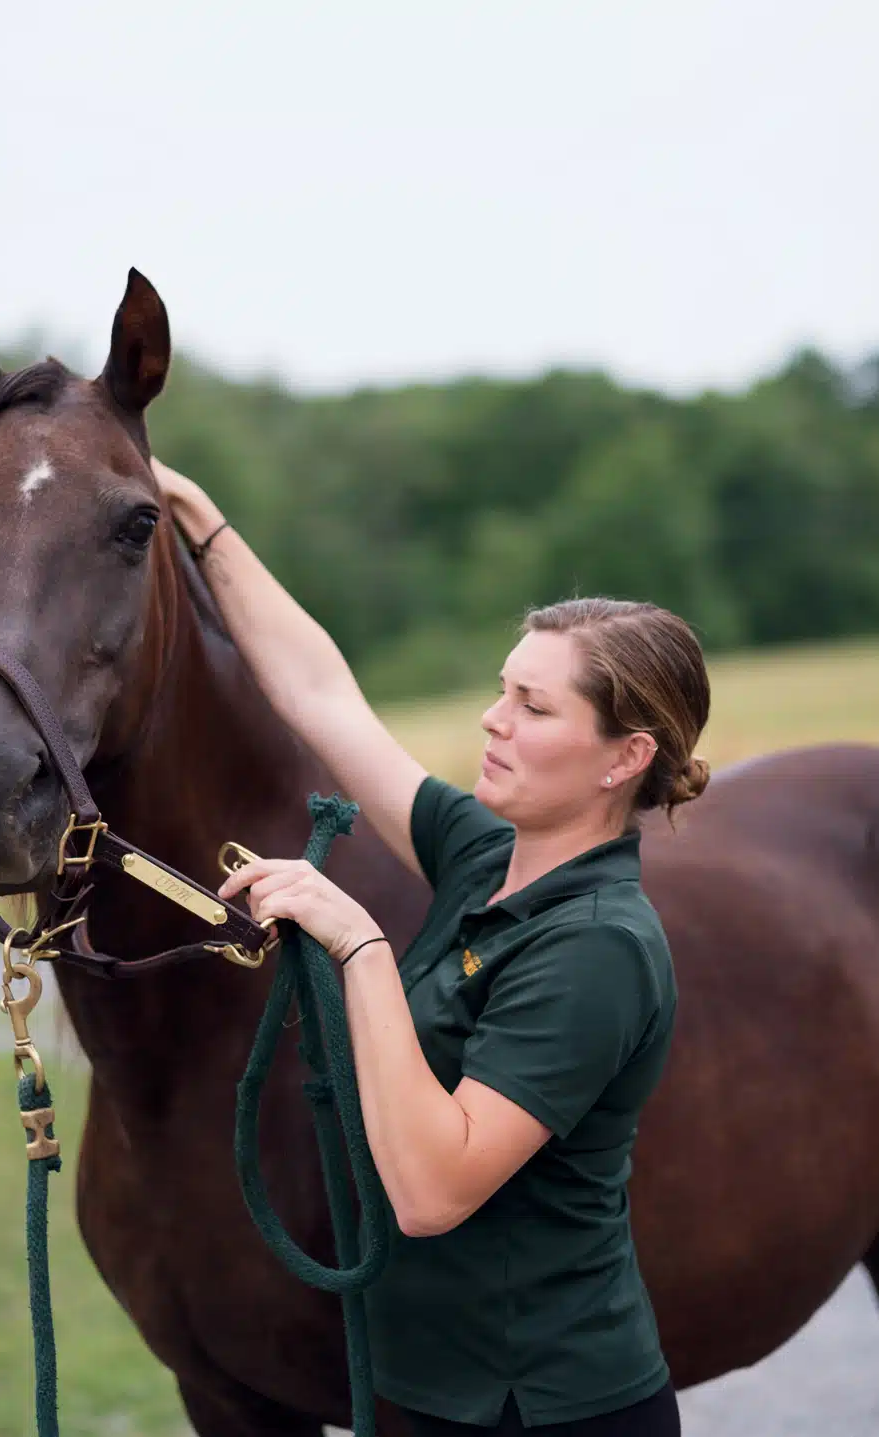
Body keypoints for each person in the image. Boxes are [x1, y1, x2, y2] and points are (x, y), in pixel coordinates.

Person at [153, 458, 711, 1437]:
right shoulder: (484, 852)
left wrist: (358, 944)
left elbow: (431, 1190)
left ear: (625, 758)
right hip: (430, 1398)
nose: (493, 720)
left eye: (535, 708)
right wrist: (198, 516)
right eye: (504, 690)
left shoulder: (597, 948)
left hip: (542, 1411)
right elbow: (324, 697)